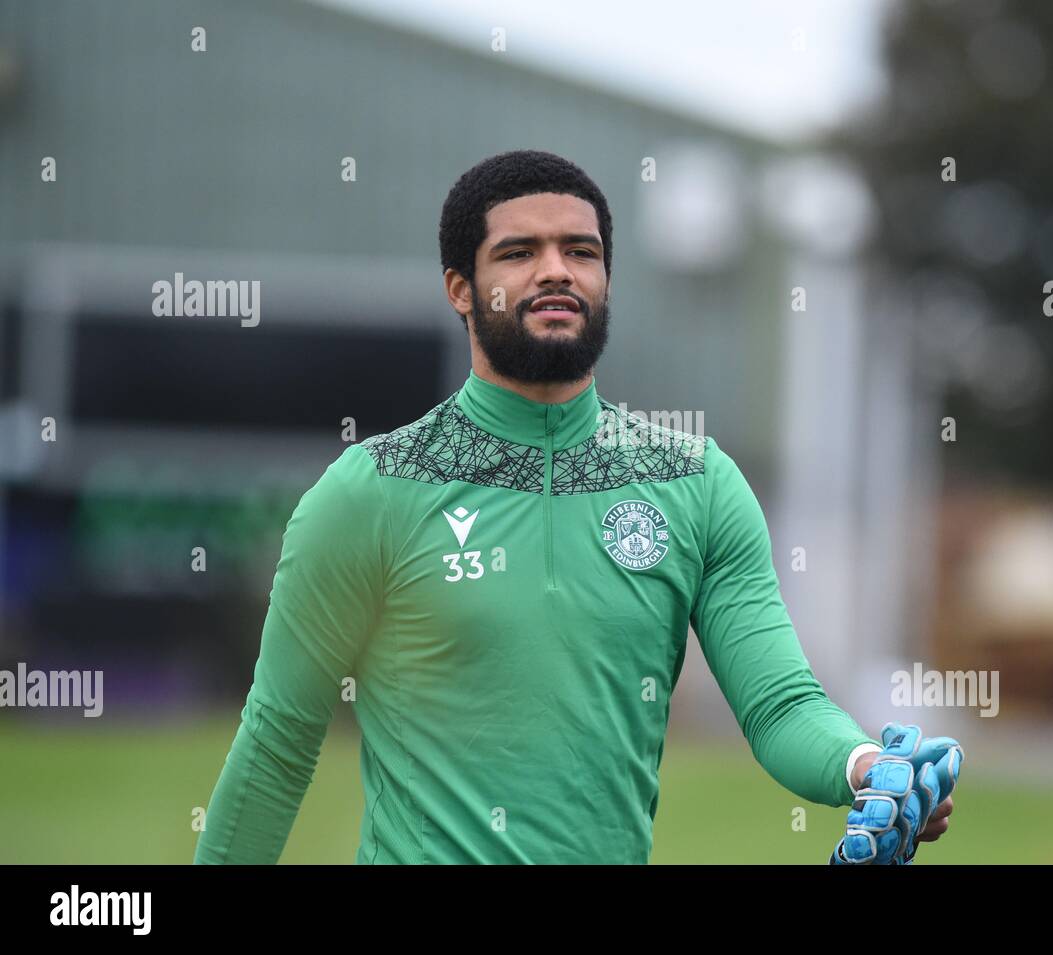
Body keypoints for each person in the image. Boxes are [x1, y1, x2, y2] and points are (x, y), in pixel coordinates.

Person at [194, 149, 954, 864]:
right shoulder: (371, 491)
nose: (556, 270)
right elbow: (278, 744)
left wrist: (865, 765)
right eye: (520, 252)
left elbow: (781, 704)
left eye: (581, 251)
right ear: (460, 286)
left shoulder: (696, 482)